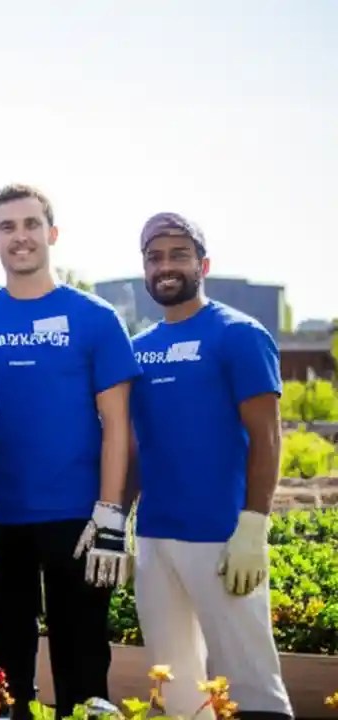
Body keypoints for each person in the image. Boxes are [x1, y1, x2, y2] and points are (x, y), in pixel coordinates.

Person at [0, 184, 140, 719]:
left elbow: (118, 426)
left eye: (31, 224)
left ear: (52, 234)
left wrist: (111, 515)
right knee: (6, 667)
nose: (21, 237)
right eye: (9, 227)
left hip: (78, 521)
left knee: (83, 664)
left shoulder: (95, 318)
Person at [128, 213, 292, 720]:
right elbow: (134, 448)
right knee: (175, 687)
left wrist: (252, 527)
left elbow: (267, 437)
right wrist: (115, 519)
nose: (166, 266)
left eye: (178, 254)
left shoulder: (239, 335)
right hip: (155, 540)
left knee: (250, 685)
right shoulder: (138, 350)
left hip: (223, 538)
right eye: (154, 257)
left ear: (203, 264)